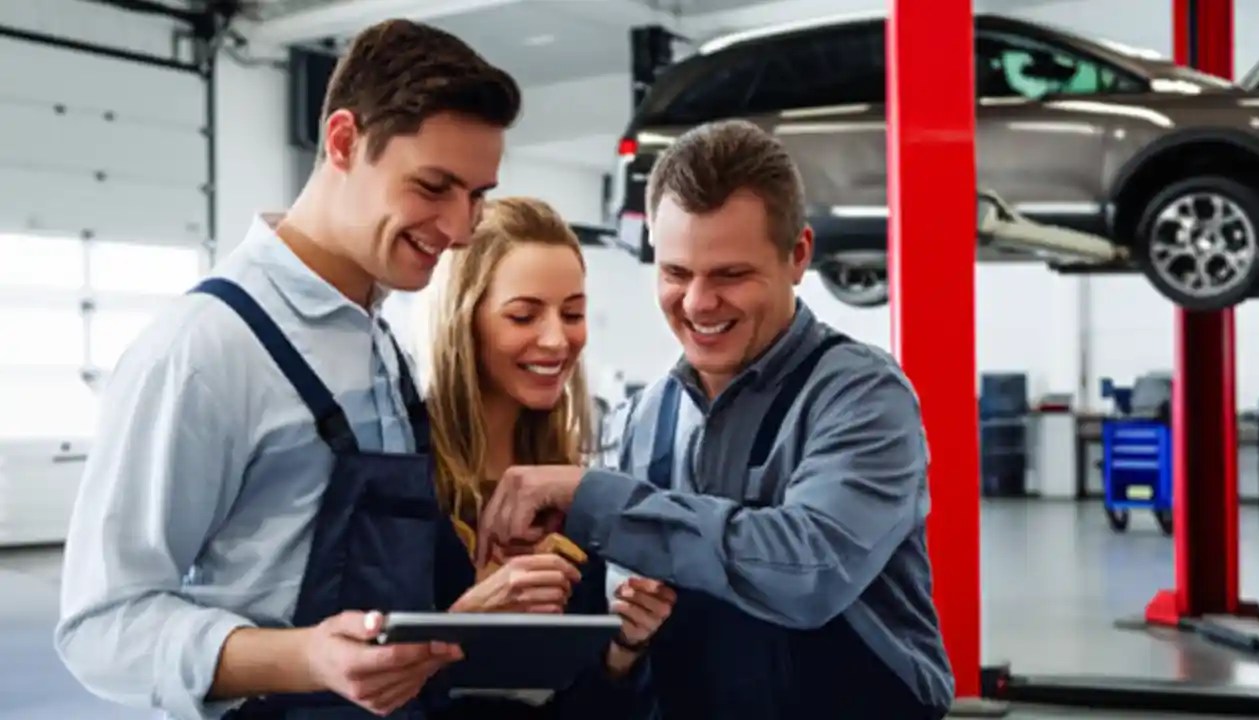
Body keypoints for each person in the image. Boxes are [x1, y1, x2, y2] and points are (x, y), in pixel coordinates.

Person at [53, 19, 565, 720]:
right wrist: (306, 658)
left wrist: (468, 595)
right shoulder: (204, 352)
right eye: (434, 187)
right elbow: (101, 628)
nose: (459, 229)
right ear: (344, 141)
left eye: (475, 195)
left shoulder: (379, 341)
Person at [475, 119, 957, 719]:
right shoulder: (643, 421)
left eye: (730, 275)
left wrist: (592, 495)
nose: (698, 303)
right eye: (676, 273)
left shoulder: (860, 397)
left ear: (798, 255)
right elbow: (620, 650)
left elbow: (808, 573)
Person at [413, 196, 675, 717]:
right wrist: (468, 619)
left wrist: (623, 649)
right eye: (524, 315)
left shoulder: (576, 490)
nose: (557, 339)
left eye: (572, 313)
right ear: (464, 320)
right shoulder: (402, 475)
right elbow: (351, 683)